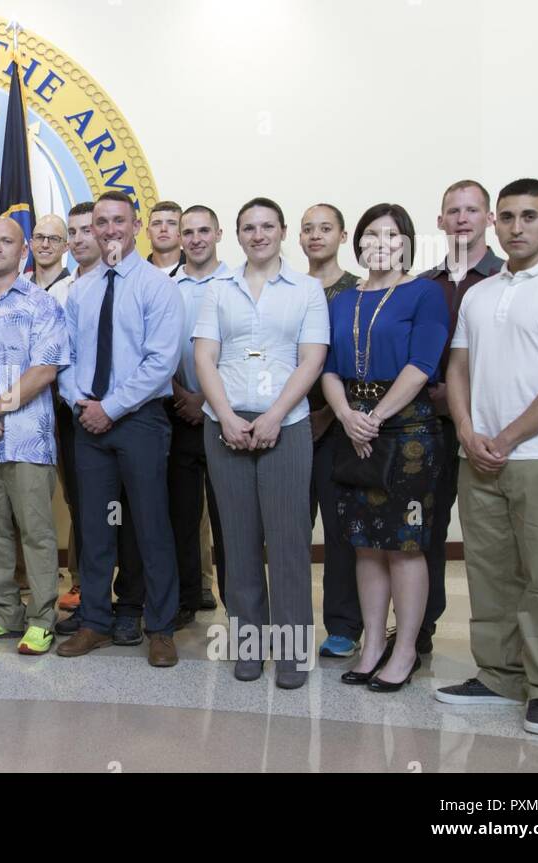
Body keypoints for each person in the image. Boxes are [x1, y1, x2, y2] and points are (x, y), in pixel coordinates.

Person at [438, 178, 538, 736]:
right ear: (494, 224)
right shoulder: (481, 294)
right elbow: (457, 368)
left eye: (529, 217)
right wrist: (466, 429)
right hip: (477, 456)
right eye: (506, 217)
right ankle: (498, 675)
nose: (516, 227)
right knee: (488, 573)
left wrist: (505, 438)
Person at [193, 197, 328, 688]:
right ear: (238, 234)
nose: (258, 234)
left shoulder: (307, 291)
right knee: (238, 540)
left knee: (289, 541)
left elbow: (311, 359)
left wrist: (274, 415)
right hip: (224, 424)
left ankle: (292, 652)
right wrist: (226, 415)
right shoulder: (218, 289)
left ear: (282, 231)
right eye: (248, 227)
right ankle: (249, 644)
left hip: (286, 427)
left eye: (267, 225)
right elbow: (205, 357)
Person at [321, 203, 448, 693]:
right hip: (352, 427)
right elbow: (328, 366)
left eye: (392, 235)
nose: (381, 243)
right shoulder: (341, 300)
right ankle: (371, 644)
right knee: (365, 545)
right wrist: (349, 417)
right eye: (371, 234)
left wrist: (374, 417)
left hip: (407, 430)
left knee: (404, 546)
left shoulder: (425, 293)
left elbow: (422, 364)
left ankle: (405, 650)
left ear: (407, 243)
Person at [55, 190, 185, 668]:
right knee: (93, 527)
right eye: (100, 222)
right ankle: (94, 622)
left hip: (141, 421)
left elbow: (161, 361)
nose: (109, 229)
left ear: (136, 227)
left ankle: (162, 627)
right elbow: (63, 358)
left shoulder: (156, 286)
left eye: (118, 221)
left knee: (151, 526)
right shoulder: (81, 290)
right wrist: (81, 403)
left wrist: (111, 407)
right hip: (89, 420)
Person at [0, 217, 69, 654]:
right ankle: (2, 612)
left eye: (8, 241)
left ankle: (42, 618)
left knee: (36, 532)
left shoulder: (42, 304)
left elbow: (45, 369)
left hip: (27, 438)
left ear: (24, 251)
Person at [412, 180, 504, 656]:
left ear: (488, 218)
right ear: (441, 221)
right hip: (427, 426)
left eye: (472, 210)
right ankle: (418, 632)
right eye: (453, 210)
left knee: (491, 541)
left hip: (489, 429)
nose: (462, 218)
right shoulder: (425, 286)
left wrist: (464, 396)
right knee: (424, 531)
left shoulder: (505, 281)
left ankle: (503, 650)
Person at [160, 203, 230, 626]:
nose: (196, 238)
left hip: (225, 418)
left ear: (219, 234)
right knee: (181, 517)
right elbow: (155, 347)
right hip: (176, 412)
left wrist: (207, 401)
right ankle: (187, 598)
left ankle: (240, 606)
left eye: (205, 230)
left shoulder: (237, 284)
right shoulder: (166, 285)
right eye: (189, 231)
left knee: (230, 522)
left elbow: (241, 350)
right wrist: (182, 395)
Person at [299, 203, 363, 658]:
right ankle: (290, 622)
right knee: (289, 531)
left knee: (340, 534)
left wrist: (330, 414)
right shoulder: (290, 289)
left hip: (341, 430)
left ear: (342, 236)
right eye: (308, 229)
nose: (315, 235)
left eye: (325, 228)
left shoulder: (358, 291)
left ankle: (343, 625)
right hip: (288, 427)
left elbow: (358, 362)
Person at [50, 202, 98, 619]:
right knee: (80, 499)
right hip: (70, 410)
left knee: (122, 505)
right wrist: (76, 399)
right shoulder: (57, 294)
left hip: (119, 410)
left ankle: (124, 593)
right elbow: (56, 355)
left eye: (89, 229)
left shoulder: (126, 283)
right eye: (74, 231)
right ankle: (86, 587)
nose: (80, 237)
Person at [28, 213, 70, 289]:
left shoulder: (75, 290)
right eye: (39, 237)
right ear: (31, 244)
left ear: (65, 247)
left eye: (54, 239)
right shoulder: (20, 291)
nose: (45, 245)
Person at [146, 200, 185, 278]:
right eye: (156, 223)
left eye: (172, 223)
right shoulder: (136, 274)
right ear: (148, 233)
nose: (163, 229)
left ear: (183, 231)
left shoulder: (199, 270)